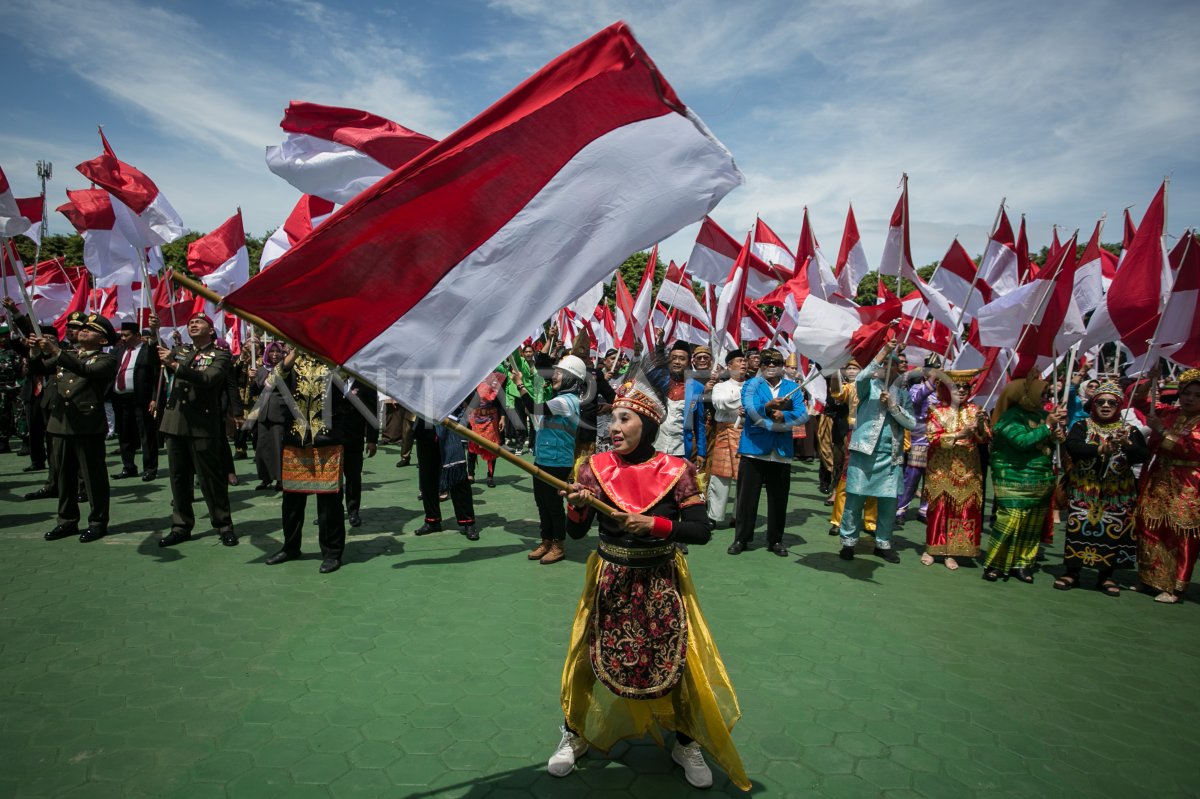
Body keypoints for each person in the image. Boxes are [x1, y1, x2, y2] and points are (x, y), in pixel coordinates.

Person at [549, 371, 750, 791]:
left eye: (625, 419)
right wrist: (576, 506)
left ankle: (685, 743)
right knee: (586, 658)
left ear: (649, 425)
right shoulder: (593, 468)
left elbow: (700, 530)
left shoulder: (677, 470)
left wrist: (655, 525)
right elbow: (575, 534)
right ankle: (573, 734)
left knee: (679, 662)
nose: (615, 428)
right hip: (609, 577)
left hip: (661, 578)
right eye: (613, 420)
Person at [29, 314, 118, 543]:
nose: (85, 331)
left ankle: (98, 521)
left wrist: (55, 352)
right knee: (64, 475)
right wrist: (34, 351)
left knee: (92, 477)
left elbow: (85, 372)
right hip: (61, 422)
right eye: (84, 328)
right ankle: (66, 520)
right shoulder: (69, 354)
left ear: (103, 341)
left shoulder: (105, 359)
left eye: (92, 329)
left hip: (87, 424)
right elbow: (38, 367)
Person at [1057, 379, 1148, 596]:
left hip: (1117, 494)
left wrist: (1127, 445)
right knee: (1079, 528)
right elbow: (1074, 448)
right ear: (1094, 404)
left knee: (1113, 533)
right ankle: (1072, 571)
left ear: (1119, 406)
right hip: (1085, 490)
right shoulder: (1081, 426)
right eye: (1101, 402)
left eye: (1112, 403)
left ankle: (1106, 576)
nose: (1106, 406)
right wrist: (1101, 449)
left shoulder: (1129, 430)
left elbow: (1142, 456)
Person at [156, 312, 238, 548]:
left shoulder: (221, 355)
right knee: (178, 478)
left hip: (202, 423)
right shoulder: (181, 352)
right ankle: (180, 526)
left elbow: (208, 379)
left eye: (198, 322)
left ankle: (223, 525)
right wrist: (154, 333)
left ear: (211, 330)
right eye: (190, 322)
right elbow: (157, 359)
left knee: (210, 478)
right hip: (175, 422)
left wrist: (175, 366)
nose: (192, 324)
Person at [264, 349, 348, 573]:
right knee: (291, 500)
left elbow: (351, 374)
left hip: (326, 439)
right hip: (296, 438)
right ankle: (290, 547)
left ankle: (332, 552)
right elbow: (269, 383)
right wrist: (291, 355)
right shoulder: (292, 361)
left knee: (329, 501)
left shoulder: (336, 359)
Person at [837, 341, 916, 563]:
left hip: (890, 456)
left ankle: (883, 543)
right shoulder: (867, 387)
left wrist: (892, 405)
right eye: (884, 365)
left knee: (889, 504)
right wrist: (884, 351)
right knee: (854, 500)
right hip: (864, 453)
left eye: (892, 365)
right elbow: (861, 377)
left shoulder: (902, 395)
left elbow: (910, 422)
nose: (886, 369)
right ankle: (848, 542)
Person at [981, 376, 1065, 583]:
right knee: (1008, 521)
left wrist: (1057, 436)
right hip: (1012, 478)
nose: (1046, 398)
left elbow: (1048, 445)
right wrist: (1047, 427)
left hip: (1040, 479)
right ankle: (995, 564)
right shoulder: (1008, 417)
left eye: (1046, 394)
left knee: (1032, 524)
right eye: (1042, 394)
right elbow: (1021, 441)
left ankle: (1022, 564)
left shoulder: (1045, 415)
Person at [728, 348, 806, 557]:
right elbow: (750, 408)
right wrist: (769, 406)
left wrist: (785, 416)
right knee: (746, 499)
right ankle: (741, 539)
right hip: (754, 449)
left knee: (779, 499)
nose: (772, 367)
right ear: (760, 366)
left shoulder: (792, 388)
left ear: (782, 366)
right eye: (767, 363)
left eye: (776, 363)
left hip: (780, 451)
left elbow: (802, 413)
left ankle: (776, 540)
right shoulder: (751, 385)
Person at [1136, 368, 1200, 603]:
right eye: (1186, 393)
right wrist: (1150, 380)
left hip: (1189, 482)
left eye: (1196, 395)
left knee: (1182, 533)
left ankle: (1176, 588)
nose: (1189, 398)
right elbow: (1140, 401)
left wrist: (1161, 431)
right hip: (1159, 476)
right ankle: (1150, 579)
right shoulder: (1171, 413)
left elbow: (1191, 448)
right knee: (1150, 526)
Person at [515, 353, 584, 564]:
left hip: (558, 461)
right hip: (544, 458)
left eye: (560, 374)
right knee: (542, 503)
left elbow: (536, 408)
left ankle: (557, 544)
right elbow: (543, 372)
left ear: (571, 378)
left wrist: (520, 386)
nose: (554, 376)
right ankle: (546, 540)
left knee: (553, 505)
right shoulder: (559, 397)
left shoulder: (567, 401)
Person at [921, 370, 989, 570]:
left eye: (965, 387)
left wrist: (982, 425)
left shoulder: (975, 410)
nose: (961, 390)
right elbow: (933, 437)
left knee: (962, 510)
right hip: (941, 468)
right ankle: (932, 548)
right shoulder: (936, 410)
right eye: (956, 387)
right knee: (939, 509)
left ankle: (952, 551)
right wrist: (961, 433)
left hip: (968, 469)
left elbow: (984, 439)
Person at [109, 321, 161, 481]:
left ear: (137, 335)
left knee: (146, 434)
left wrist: (154, 398)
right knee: (124, 434)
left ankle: (150, 468)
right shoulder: (118, 350)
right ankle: (128, 466)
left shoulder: (148, 350)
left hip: (142, 399)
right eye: (121, 335)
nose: (123, 338)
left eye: (126, 335)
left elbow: (156, 375)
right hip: (121, 399)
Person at [706, 349, 746, 527]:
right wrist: (746, 396)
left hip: (746, 434)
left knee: (744, 477)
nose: (743, 363)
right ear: (729, 366)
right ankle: (714, 515)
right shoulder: (720, 386)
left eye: (744, 360)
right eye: (739, 360)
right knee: (720, 476)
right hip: (724, 431)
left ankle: (739, 515)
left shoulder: (753, 386)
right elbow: (721, 404)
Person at [335, 369, 378, 528]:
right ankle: (331, 510)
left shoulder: (366, 382)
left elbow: (372, 411)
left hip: (354, 437)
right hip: (332, 438)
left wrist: (372, 439)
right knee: (332, 477)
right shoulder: (329, 378)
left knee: (353, 477)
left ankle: (353, 511)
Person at [896, 359, 938, 523]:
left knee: (932, 477)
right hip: (918, 439)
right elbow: (914, 401)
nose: (936, 372)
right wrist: (931, 381)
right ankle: (900, 509)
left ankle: (925, 509)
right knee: (912, 476)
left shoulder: (942, 392)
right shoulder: (916, 388)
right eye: (932, 369)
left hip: (936, 440)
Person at [248, 342, 287, 491]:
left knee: (278, 446)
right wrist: (251, 379)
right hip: (262, 413)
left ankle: (280, 479)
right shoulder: (260, 370)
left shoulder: (285, 368)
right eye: (272, 352)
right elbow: (253, 392)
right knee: (262, 447)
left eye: (278, 352)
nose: (275, 354)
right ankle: (265, 478)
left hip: (279, 413)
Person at [467, 372, 505, 487]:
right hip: (474, 417)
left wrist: (502, 417)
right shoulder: (472, 376)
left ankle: (490, 476)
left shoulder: (498, 378)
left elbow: (502, 399)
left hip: (491, 418)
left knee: (492, 447)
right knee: (472, 446)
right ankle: (470, 474)